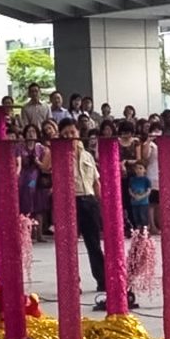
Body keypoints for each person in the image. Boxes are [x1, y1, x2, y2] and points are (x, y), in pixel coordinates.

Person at [62, 118, 105, 292]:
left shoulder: (87, 155)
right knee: (69, 246)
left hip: (89, 200)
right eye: (65, 134)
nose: (69, 136)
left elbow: (96, 181)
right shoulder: (60, 155)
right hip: (71, 202)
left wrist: (100, 203)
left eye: (72, 132)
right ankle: (72, 283)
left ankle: (102, 280)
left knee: (93, 243)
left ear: (78, 133)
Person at [17, 124, 50, 241]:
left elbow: (45, 166)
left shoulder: (41, 148)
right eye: (29, 131)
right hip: (24, 179)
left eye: (33, 131)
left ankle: (39, 234)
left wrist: (37, 161)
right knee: (25, 207)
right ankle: (27, 234)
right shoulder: (20, 147)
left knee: (39, 207)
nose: (31, 134)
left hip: (37, 180)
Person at [128, 163, 152, 230]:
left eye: (140, 168)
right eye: (136, 168)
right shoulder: (132, 179)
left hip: (144, 202)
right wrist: (133, 195)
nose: (138, 170)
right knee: (136, 217)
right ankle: (138, 230)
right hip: (134, 202)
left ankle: (145, 231)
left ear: (145, 170)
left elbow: (148, 191)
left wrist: (141, 197)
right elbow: (130, 189)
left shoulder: (146, 180)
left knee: (143, 216)